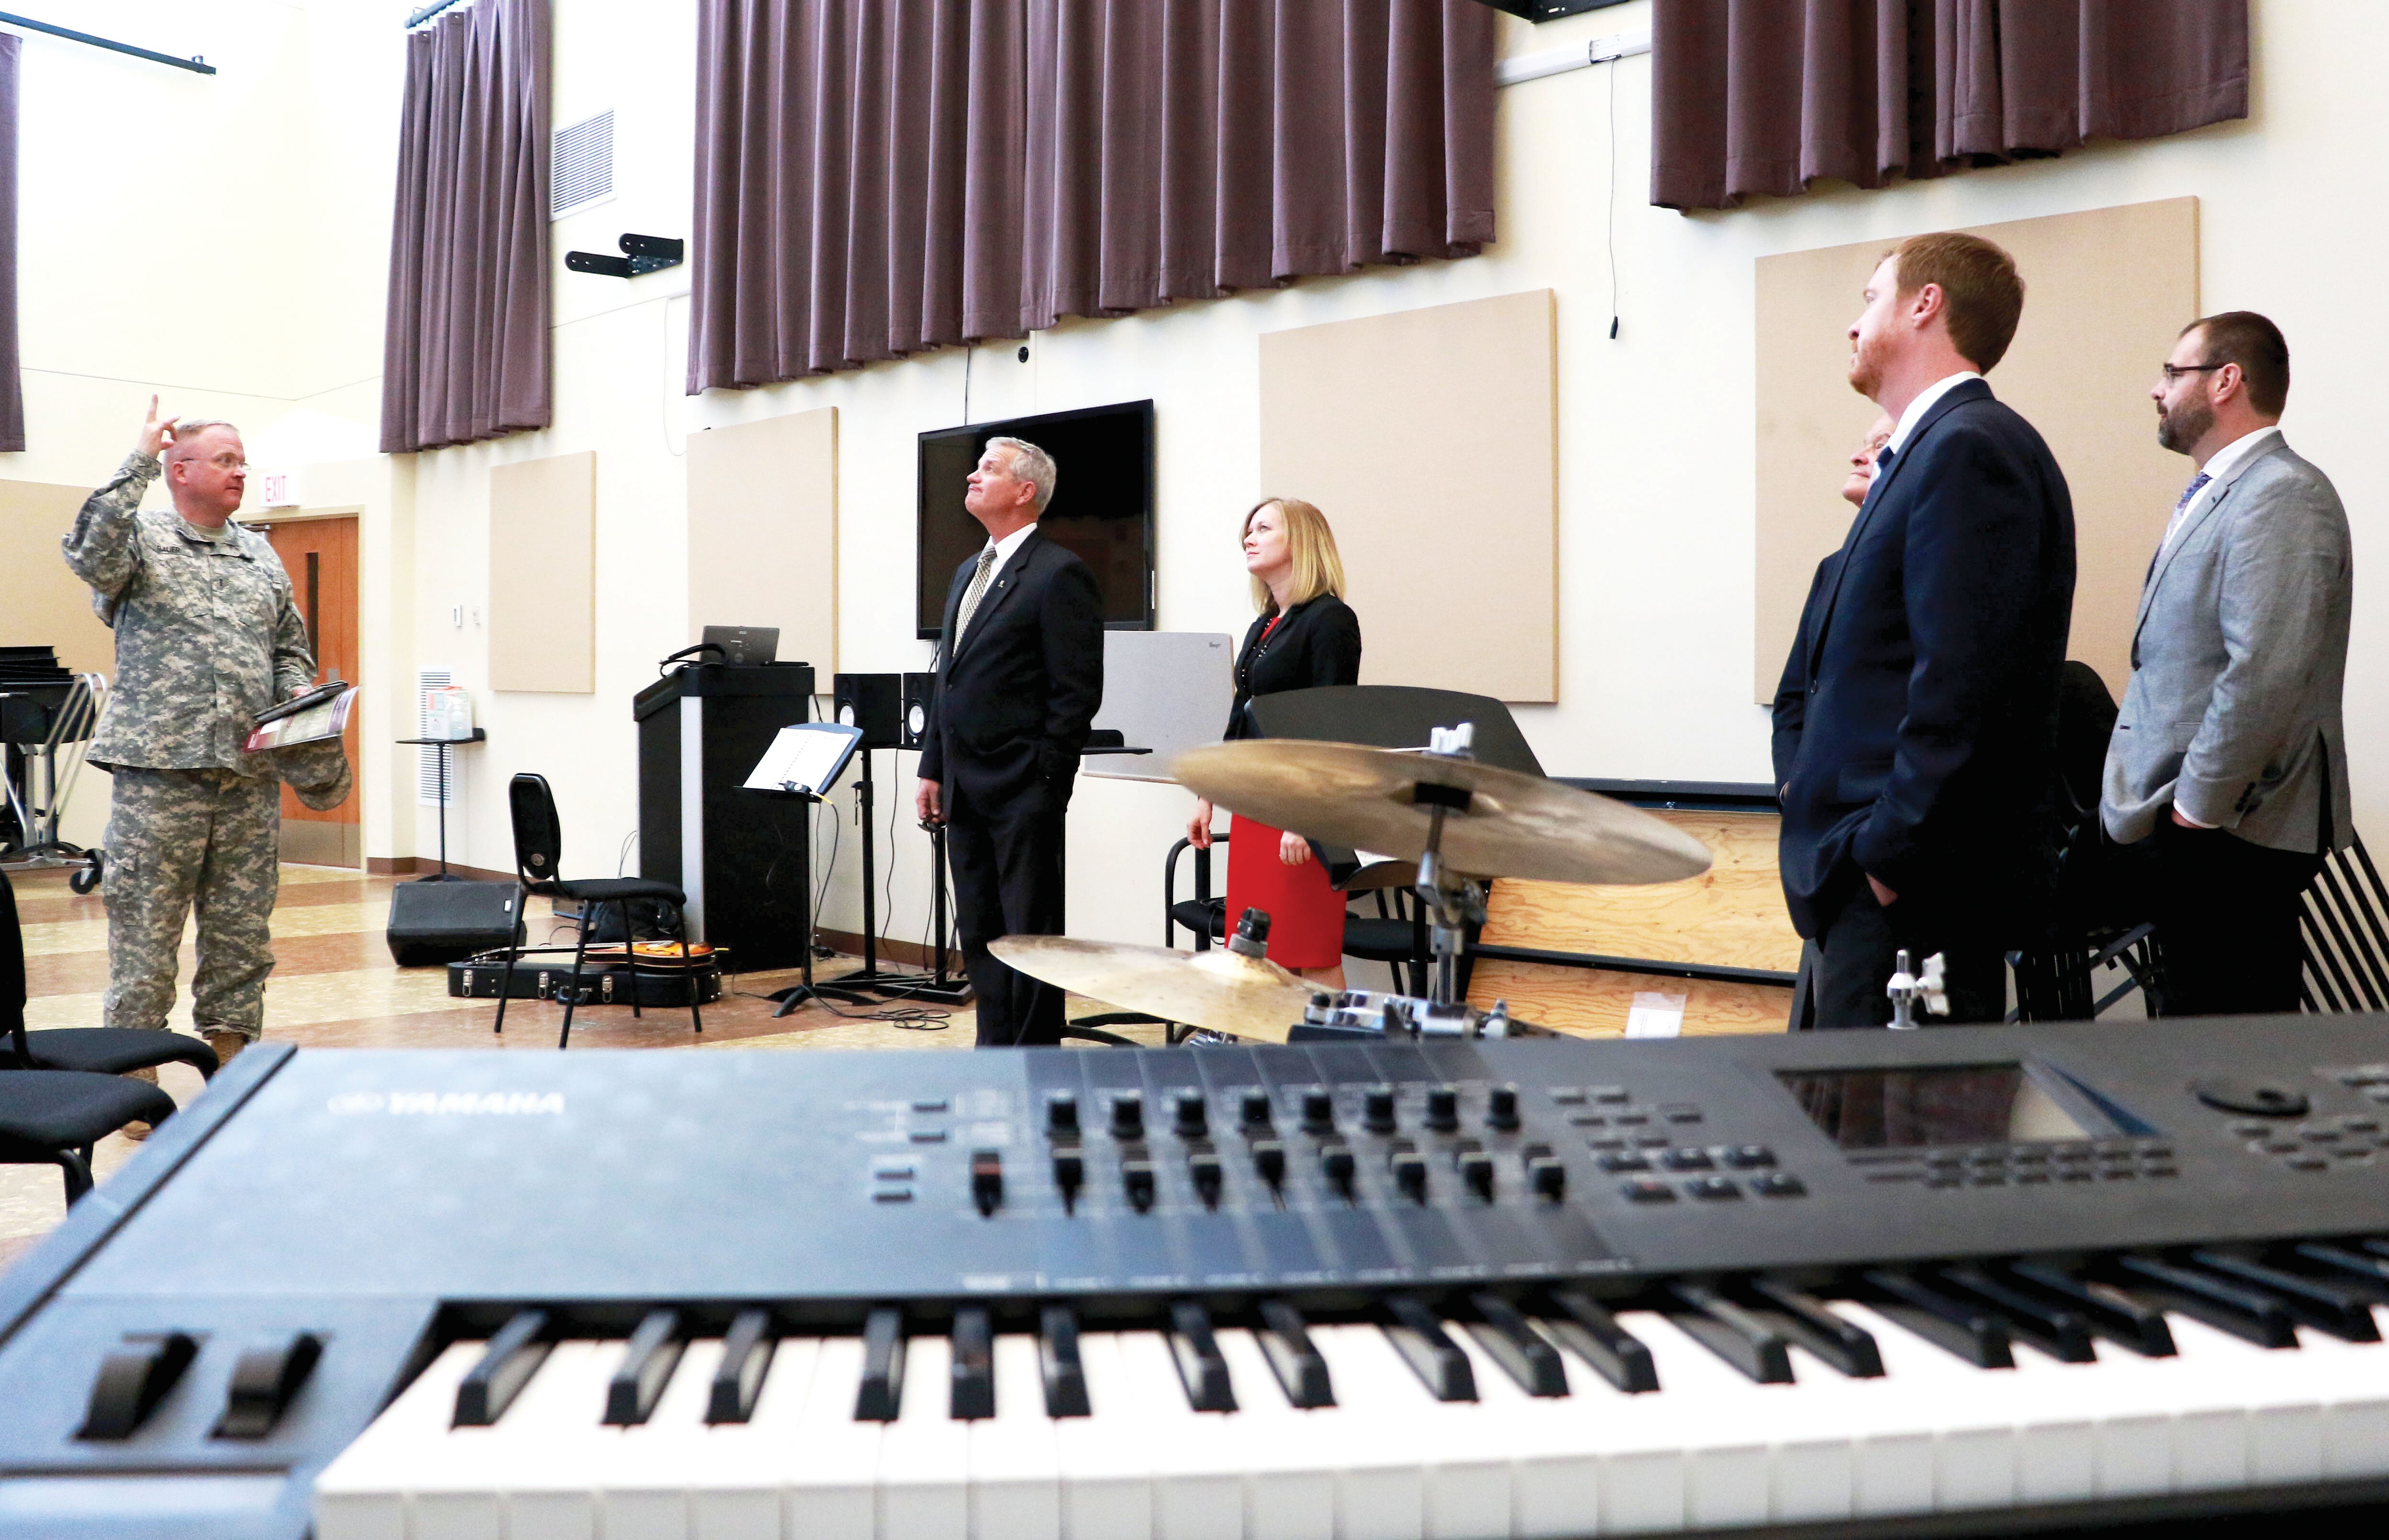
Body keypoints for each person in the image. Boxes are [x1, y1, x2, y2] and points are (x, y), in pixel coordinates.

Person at [1774, 232, 2077, 1029]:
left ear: (1924, 304)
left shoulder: (1967, 448)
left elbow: (1963, 685)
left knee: (1889, 1114)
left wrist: (1885, 861)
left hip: (1911, 895)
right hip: (1876, 883)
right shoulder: (1931, 452)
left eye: (1870, 298)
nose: (1854, 323)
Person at [60, 398, 328, 1095]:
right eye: (226, 460)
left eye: (242, 461)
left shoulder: (260, 553)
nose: (241, 472)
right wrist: (138, 460)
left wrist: (300, 697)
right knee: (145, 935)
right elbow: (87, 551)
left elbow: (289, 650)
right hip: (159, 777)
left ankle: (233, 1067)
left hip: (247, 776)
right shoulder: (140, 541)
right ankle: (132, 1076)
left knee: (242, 934)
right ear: (180, 470)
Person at [2101, 312, 2351, 1016]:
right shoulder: (2224, 489)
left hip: (2234, 831)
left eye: (2172, 373)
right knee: (2197, 1040)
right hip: (2206, 829)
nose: (2157, 389)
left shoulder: (2281, 492)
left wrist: (2194, 811)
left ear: (2225, 381)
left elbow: (2264, 672)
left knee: (2230, 1052)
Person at [915, 437, 1103, 1047]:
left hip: (1023, 786)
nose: (972, 476)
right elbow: (948, 678)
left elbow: (1076, 691)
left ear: (1025, 491)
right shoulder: (968, 571)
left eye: (988, 469)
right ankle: (993, 1053)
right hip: (963, 785)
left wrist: (1047, 778)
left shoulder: (1058, 573)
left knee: (1029, 935)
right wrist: (932, 767)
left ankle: (1034, 1059)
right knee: (980, 931)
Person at [1186, 498, 1363, 988]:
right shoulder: (1265, 623)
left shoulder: (1330, 620)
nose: (1249, 538)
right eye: (1248, 530)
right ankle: (1271, 1041)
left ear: (1300, 541)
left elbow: (1332, 727)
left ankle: (1323, 1042)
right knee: (1260, 955)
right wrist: (1208, 795)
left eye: (1263, 529)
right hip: (1256, 805)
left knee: (1309, 951)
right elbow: (1240, 716)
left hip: (1300, 810)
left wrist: (1304, 818)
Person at [1777, 413, 1892, 1030]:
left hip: (1876, 851)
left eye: (1881, 445)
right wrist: (1792, 785)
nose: (1857, 454)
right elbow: (1794, 700)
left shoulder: (1920, 558)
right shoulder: (1831, 568)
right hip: (1819, 849)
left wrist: (1879, 860)